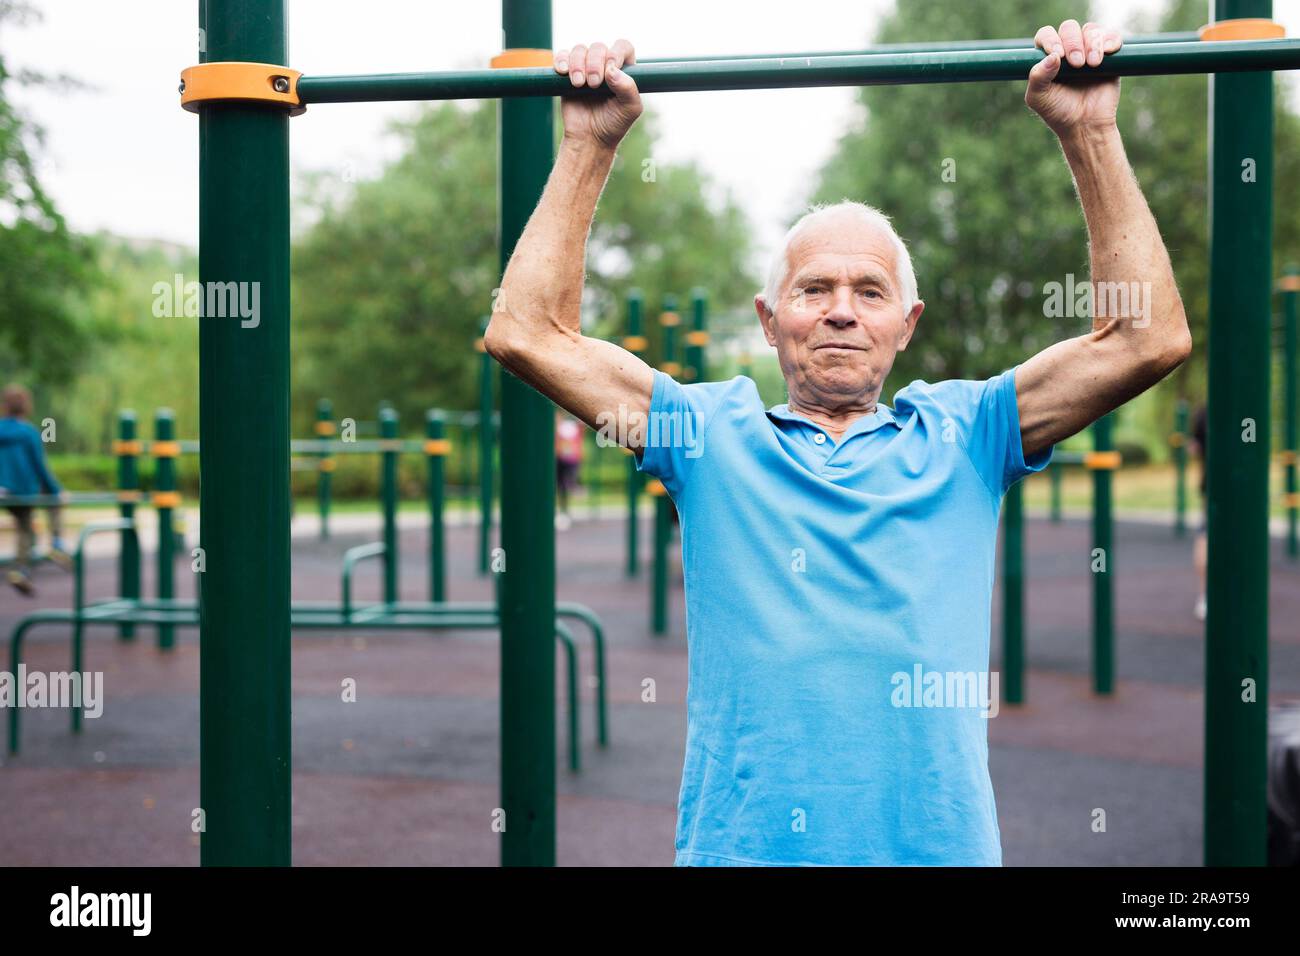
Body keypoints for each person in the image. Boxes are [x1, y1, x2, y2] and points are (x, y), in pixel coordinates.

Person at [485, 21, 1192, 865]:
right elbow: (526, 333)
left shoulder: (970, 433)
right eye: (814, 288)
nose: (843, 309)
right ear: (769, 319)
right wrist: (588, 145)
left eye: (870, 290)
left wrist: (1091, 132)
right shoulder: (705, 436)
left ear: (906, 325)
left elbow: (1145, 341)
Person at [0, 383, 71, 595]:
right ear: (26, 407)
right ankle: (52, 546)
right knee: (28, 523)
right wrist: (57, 491)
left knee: (25, 524)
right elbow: (40, 468)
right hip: (21, 491)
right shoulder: (29, 433)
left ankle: (24, 566)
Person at [1190, 403, 1208, 621]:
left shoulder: (1203, 412)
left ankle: (1205, 596)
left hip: (1210, 484)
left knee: (1205, 535)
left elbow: (1194, 447)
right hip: (1242, 485)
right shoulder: (1245, 409)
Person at [554, 409, 584, 529]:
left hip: (570, 460)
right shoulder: (560, 427)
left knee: (564, 486)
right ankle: (573, 485)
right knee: (560, 487)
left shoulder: (571, 428)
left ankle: (574, 484)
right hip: (561, 459)